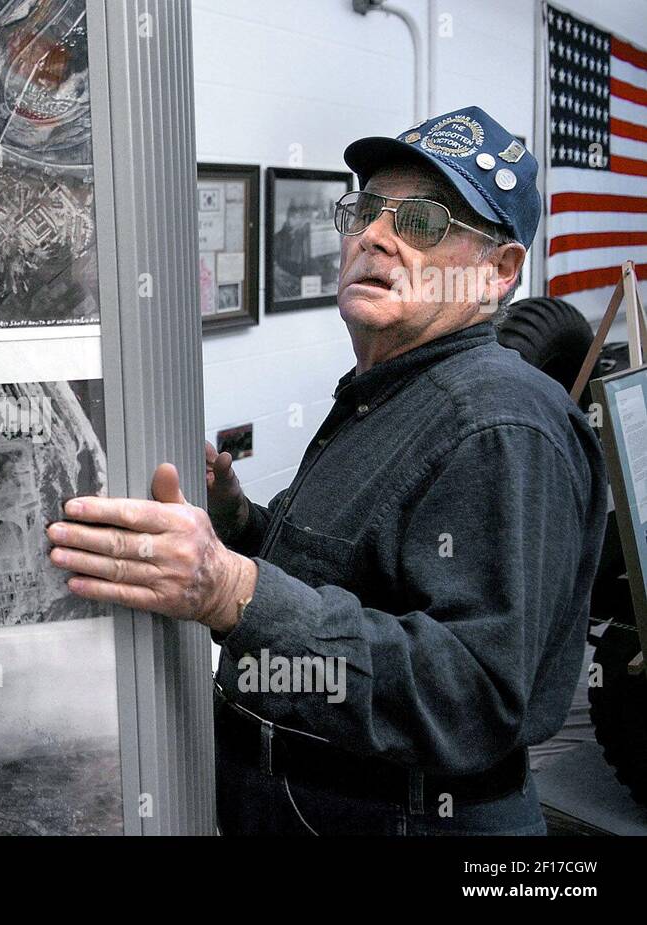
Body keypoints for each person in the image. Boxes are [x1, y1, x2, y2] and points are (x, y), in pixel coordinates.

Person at [46, 106, 607, 835]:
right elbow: (353, 573)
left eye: (425, 223)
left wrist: (231, 590)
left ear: (498, 272)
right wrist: (239, 526)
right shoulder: (391, 390)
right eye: (366, 210)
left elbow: (474, 694)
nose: (375, 235)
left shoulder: (503, 423)